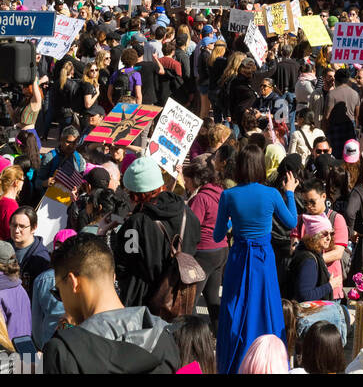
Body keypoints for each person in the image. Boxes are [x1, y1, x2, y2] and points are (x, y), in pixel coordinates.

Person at [213, 142, 298, 374]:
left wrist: (234, 221)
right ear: (261, 166)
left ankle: (234, 362)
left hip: (239, 257)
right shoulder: (271, 194)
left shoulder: (228, 195)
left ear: (239, 166)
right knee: (266, 307)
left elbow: (218, 234)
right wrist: (289, 192)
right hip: (263, 258)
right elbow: (292, 222)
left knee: (235, 310)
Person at [43, 234, 179, 375]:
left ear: (73, 282)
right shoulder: (165, 336)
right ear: (113, 276)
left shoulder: (64, 351)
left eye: (58, 291)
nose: (62, 300)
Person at [110, 157, 201, 308]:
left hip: (144, 303)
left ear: (137, 193)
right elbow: (195, 242)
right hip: (179, 297)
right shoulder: (187, 212)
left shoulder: (137, 222)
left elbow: (123, 264)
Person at [184, 154, 228, 329]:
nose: (185, 184)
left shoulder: (201, 198)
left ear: (194, 180)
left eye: (186, 181)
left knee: (191, 299)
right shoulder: (220, 193)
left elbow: (191, 226)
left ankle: (190, 335)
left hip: (205, 251)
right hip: (221, 249)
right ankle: (219, 333)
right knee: (212, 297)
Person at [9, 207, 51, 295]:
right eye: (14, 225)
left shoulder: (40, 259)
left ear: (34, 228)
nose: (16, 230)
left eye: (22, 226)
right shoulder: (5, 247)